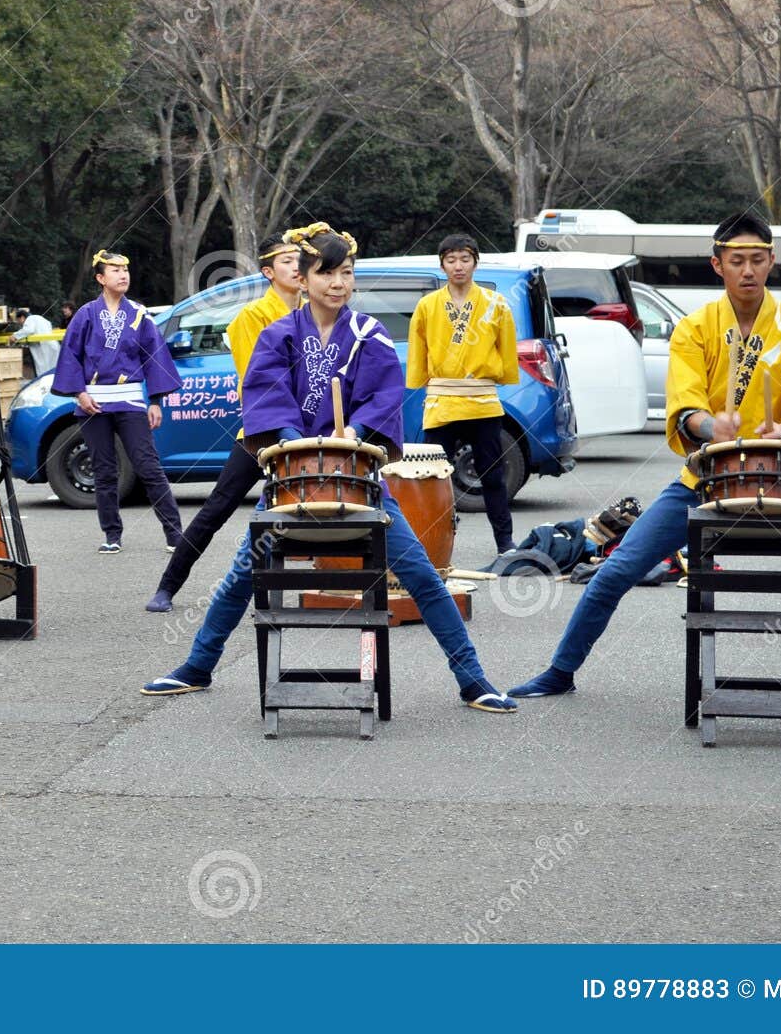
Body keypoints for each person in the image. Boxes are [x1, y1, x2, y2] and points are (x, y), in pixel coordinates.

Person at [140, 225, 518, 713]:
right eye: (327, 273)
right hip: (289, 485)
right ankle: (197, 666)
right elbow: (265, 396)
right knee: (241, 575)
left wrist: (356, 432)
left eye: (347, 273)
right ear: (302, 277)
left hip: (360, 483)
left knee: (422, 575)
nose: (339, 283)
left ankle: (473, 680)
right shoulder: (278, 335)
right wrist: (294, 442)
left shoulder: (368, 335)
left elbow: (385, 397)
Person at [509, 211, 781, 697]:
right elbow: (685, 408)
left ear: (772, 263)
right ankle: (561, 671)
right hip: (704, 486)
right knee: (615, 571)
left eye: (758, 260)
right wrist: (708, 425)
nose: (748, 270)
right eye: (737, 260)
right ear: (717, 264)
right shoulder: (696, 328)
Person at [144, 234, 304, 613]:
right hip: (263, 428)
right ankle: (168, 586)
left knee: (314, 512)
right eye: (286, 261)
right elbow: (257, 378)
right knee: (217, 508)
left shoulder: (315, 313)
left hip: (311, 430)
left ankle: (331, 588)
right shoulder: (252, 316)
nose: (296, 266)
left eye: (300, 259)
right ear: (268, 272)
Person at [52, 250, 184, 554]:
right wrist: (79, 393)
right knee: (105, 469)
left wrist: (156, 401)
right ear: (101, 278)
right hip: (93, 402)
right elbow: (71, 355)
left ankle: (175, 533)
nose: (123, 274)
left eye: (125, 269)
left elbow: (155, 356)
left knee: (148, 466)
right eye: (114, 270)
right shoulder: (85, 314)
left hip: (130, 400)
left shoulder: (139, 313)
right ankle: (111, 534)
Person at [406, 232, 518, 555]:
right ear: (442, 265)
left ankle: (505, 542)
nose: (458, 266)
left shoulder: (496, 304)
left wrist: (504, 375)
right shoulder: (427, 306)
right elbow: (418, 354)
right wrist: (419, 379)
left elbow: (507, 351)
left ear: (475, 263)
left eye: (465, 259)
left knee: (493, 475)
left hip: (482, 401)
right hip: (441, 401)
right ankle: (431, 543)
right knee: (432, 477)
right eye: (451, 259)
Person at [10, 307, 59, 375]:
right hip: (53, 346)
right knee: (52, 372)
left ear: (22, 317)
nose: (19, 323)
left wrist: (15, 336)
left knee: (43, 372)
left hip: (44, 348)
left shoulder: (30, 319)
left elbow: (28, 330)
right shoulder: (39, 318)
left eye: (18, 320)